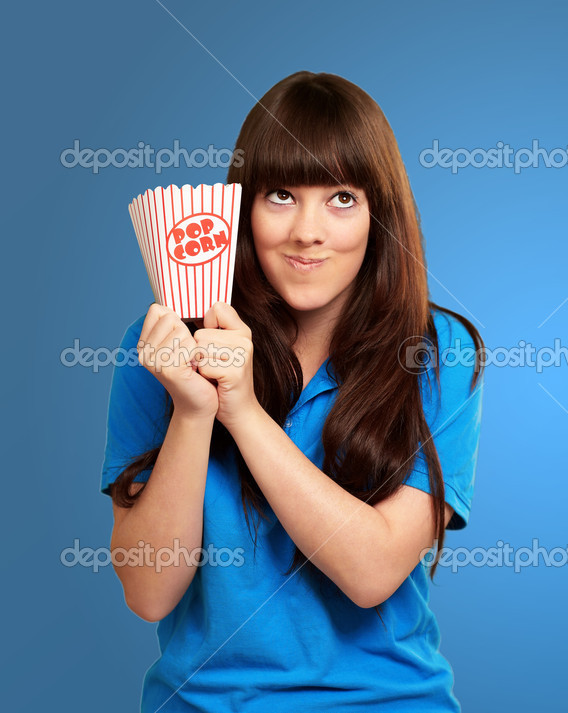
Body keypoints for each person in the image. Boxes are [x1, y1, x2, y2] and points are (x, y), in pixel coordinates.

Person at [100, 71, 485, 712]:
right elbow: (148, 593)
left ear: (378, 215)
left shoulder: (437, 351)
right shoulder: (159, 346)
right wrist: (194, 412)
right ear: (241, 210)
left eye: (341, 198)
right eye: (281, 195)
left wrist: (243, 413)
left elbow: (370, 574)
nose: (307, 231)